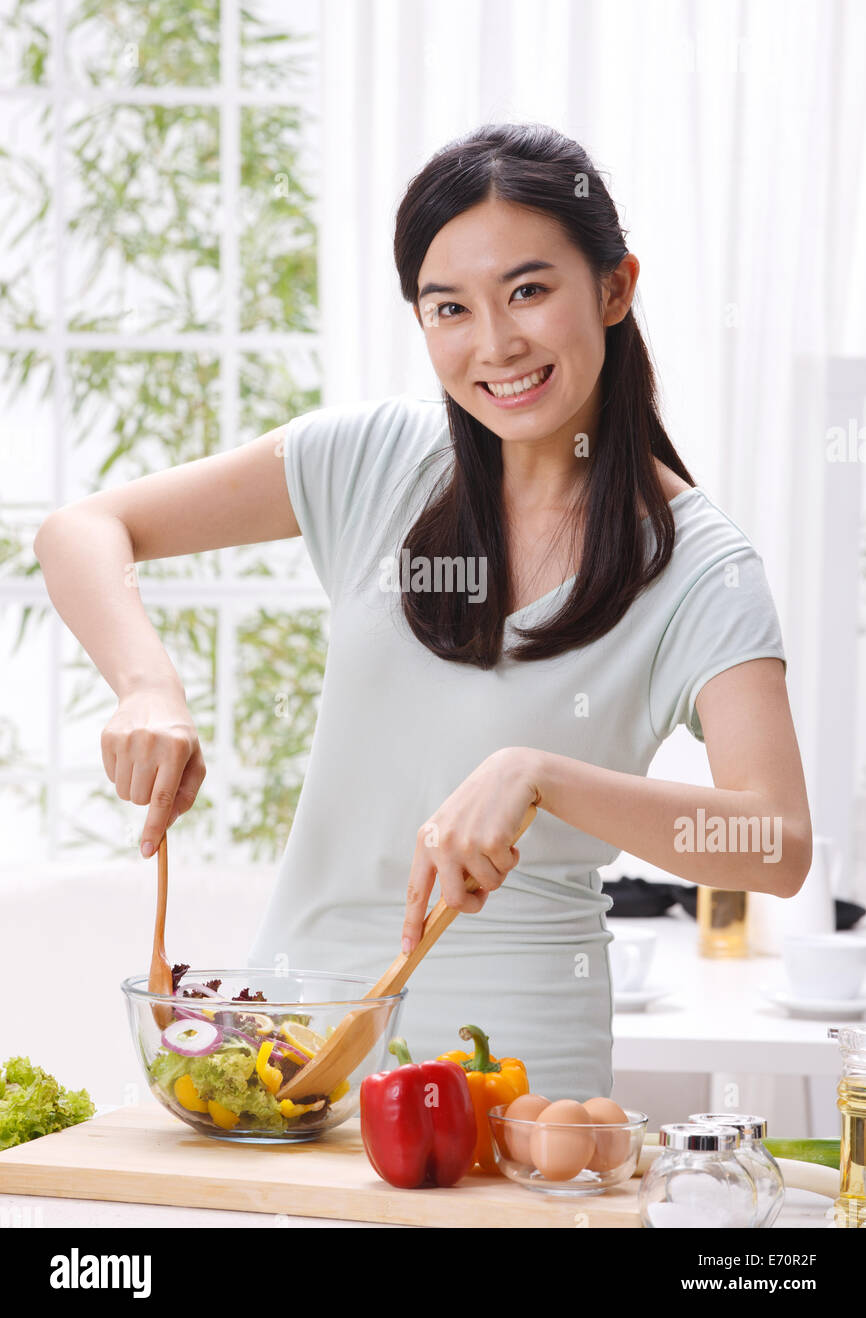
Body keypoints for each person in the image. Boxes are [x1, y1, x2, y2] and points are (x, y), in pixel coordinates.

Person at [34, 123, 811, 1098]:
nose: (494, 344)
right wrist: (145, 687)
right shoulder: (372, 462)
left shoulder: (699, 568)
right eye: (449, 308)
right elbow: (82, 528)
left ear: (613, 288)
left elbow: (772, 846)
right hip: (293, 1054)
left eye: (528, 290)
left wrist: (541, 775)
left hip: (512, 1086)